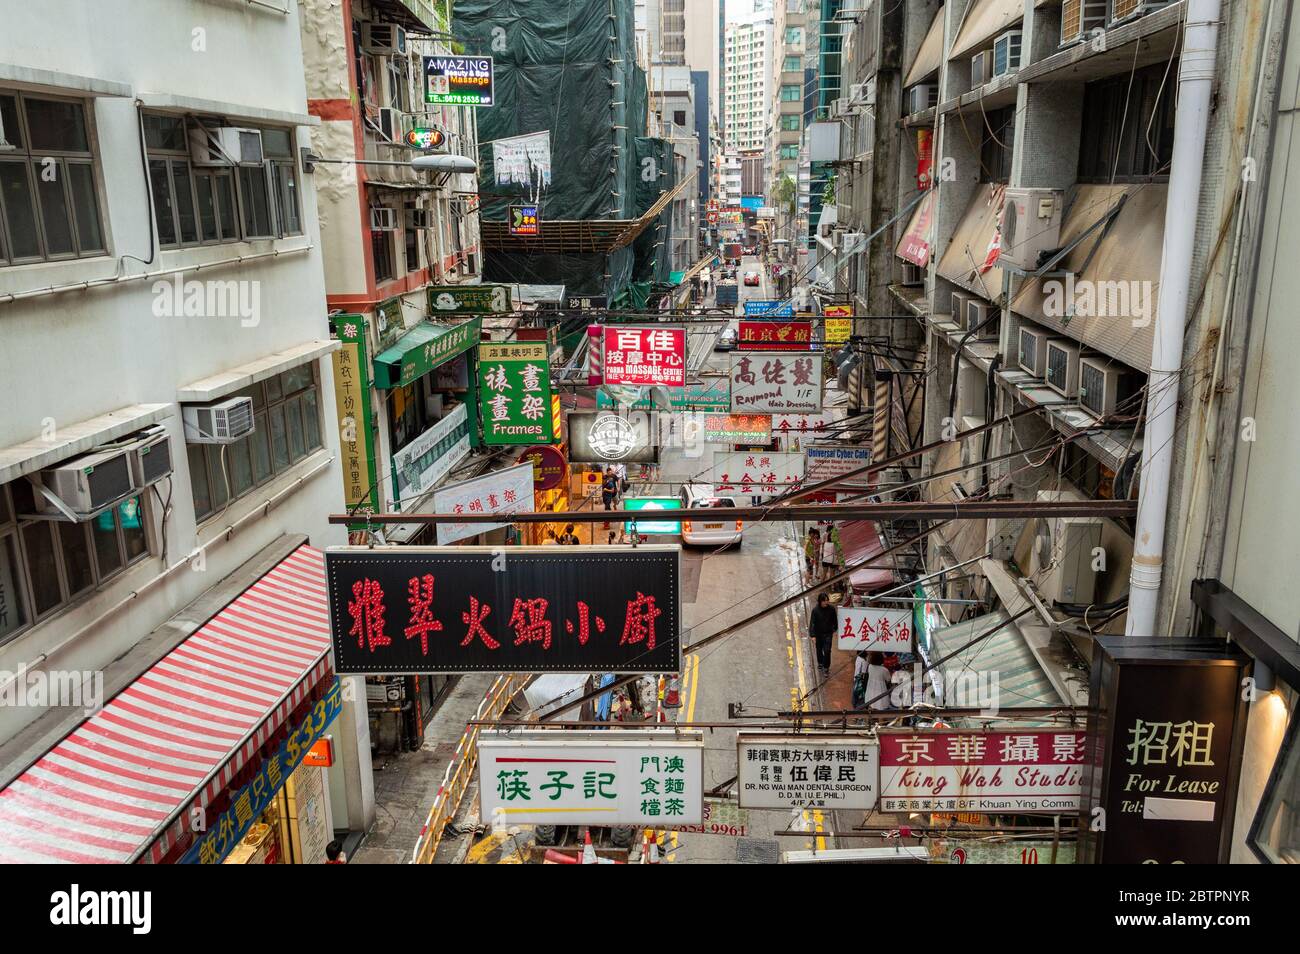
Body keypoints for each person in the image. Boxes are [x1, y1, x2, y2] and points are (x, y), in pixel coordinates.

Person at [807, 592, 837, 676]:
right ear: (820, 601)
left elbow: (835, 620)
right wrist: (812, 635)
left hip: (828, 634)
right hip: (818, 634)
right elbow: (812, 623)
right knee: (819, 649)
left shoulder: (831, 609)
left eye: (827, 601)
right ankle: (820, 662)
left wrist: (834, 628)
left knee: (827, 650)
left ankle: (826, 667)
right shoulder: (815, 610)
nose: (826, 603)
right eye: (824, 601)